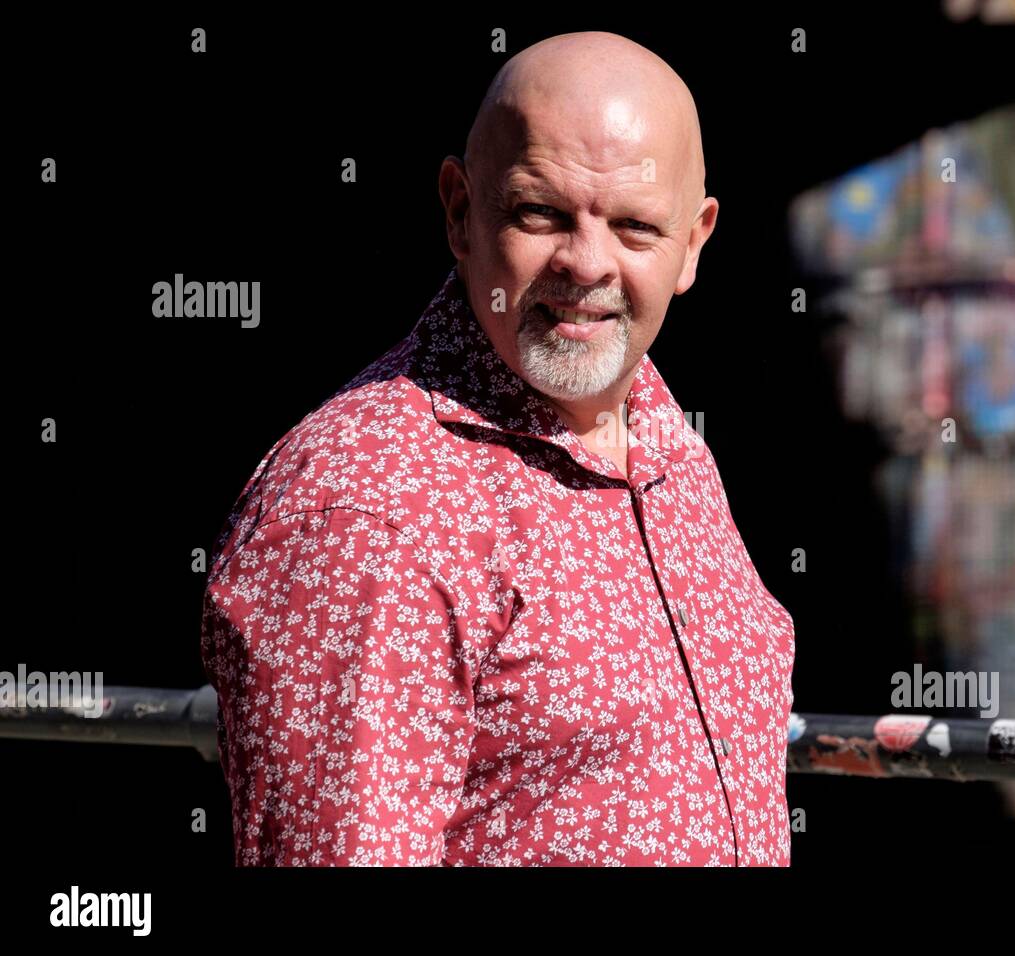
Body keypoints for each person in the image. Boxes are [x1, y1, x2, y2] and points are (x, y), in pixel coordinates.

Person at [200, 30, 796, 866]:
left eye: (635, 227)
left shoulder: (667, 437)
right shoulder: (365, 511)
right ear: (458, 210)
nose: (587, 264)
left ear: (694, 242)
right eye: (540, 212)